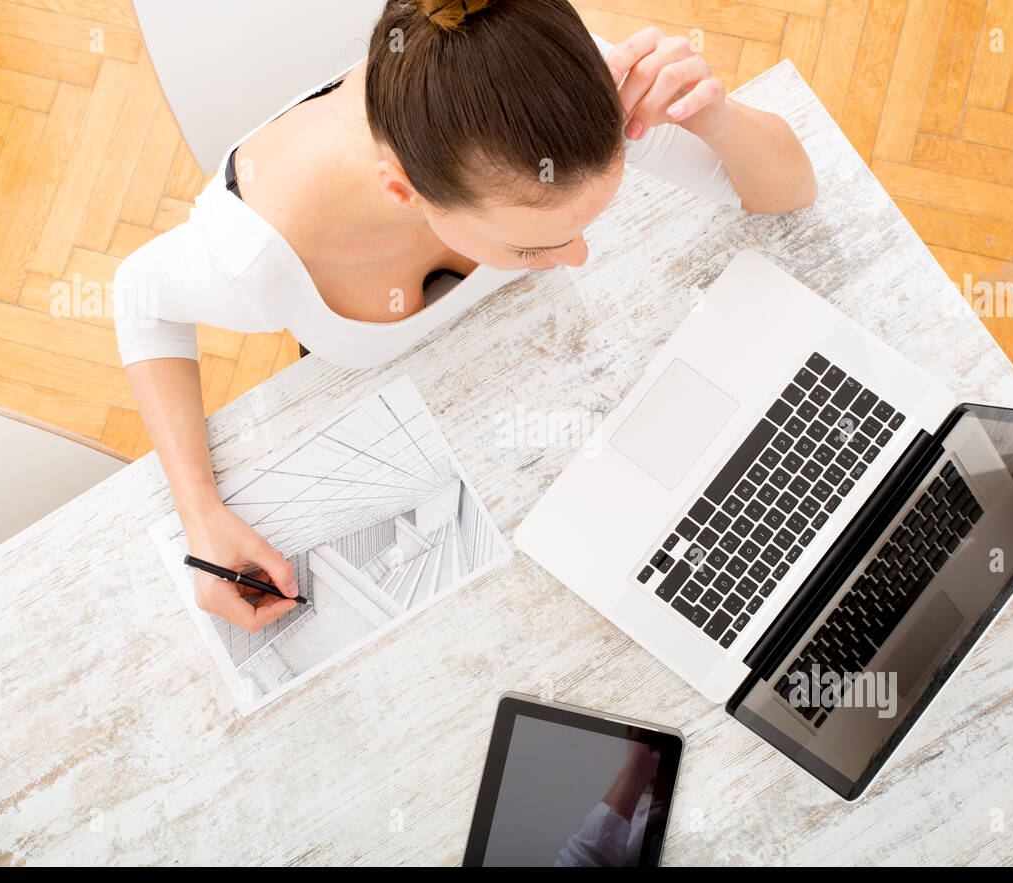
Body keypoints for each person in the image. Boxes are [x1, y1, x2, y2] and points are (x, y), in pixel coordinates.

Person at [114, 0, 818, 634]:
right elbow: (139, 298)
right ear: (404, 191)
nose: (578, 257)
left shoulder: (558, 110)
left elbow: (786, 193)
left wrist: (712, 116)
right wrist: (200, 514)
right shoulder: (260, 263)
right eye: (534, 245)